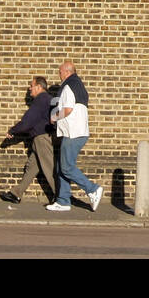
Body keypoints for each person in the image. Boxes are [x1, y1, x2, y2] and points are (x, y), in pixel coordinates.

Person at [47, 61, 103, 212]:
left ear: (67, 71)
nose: (59, 75)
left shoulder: (68, 85)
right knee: (61, 167)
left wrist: (54, 117)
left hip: (73, 133)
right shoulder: (78, 85)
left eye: (60, 72)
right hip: (78, 132)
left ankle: (92, 189)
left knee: (66, 167)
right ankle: (63, 201)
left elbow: (68, 108)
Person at [0, 76, 56, 205]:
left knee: (49, 167)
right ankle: (16, 194)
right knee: (31, 167)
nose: (30, 89)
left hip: (42, 138)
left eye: (31, 86)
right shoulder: (47, 99)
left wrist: (12, 131)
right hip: (41, 138)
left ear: (39, 87)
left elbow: (28, 121)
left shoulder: (41, 99)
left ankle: (60, 197)